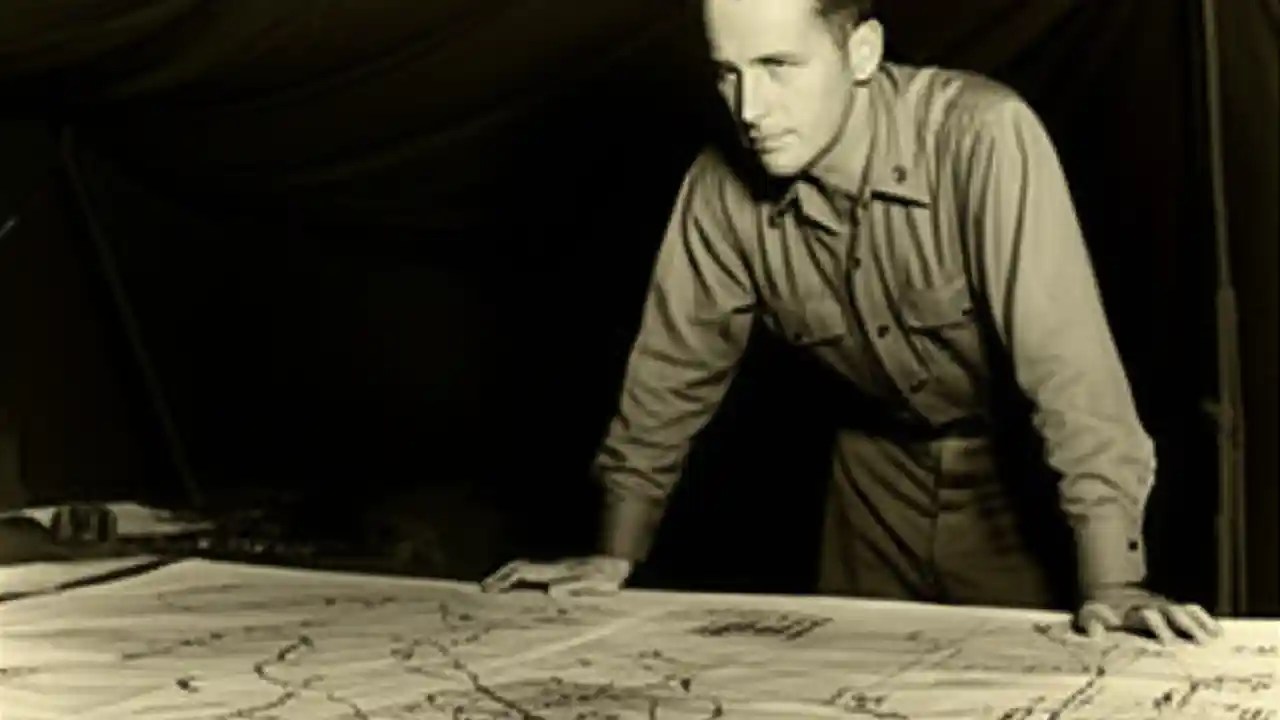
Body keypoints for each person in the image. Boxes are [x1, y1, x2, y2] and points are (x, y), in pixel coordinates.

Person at [483, 0, 1221, 645]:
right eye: (727, 71)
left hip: (1016, 488)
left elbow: (1070, 370)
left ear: (861, 50)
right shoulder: (718, 185)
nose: (749, 108)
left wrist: (1115, 580)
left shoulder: (985, 136)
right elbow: (670, 371)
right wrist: (617, 551)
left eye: (779, 64)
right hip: (871, 487)